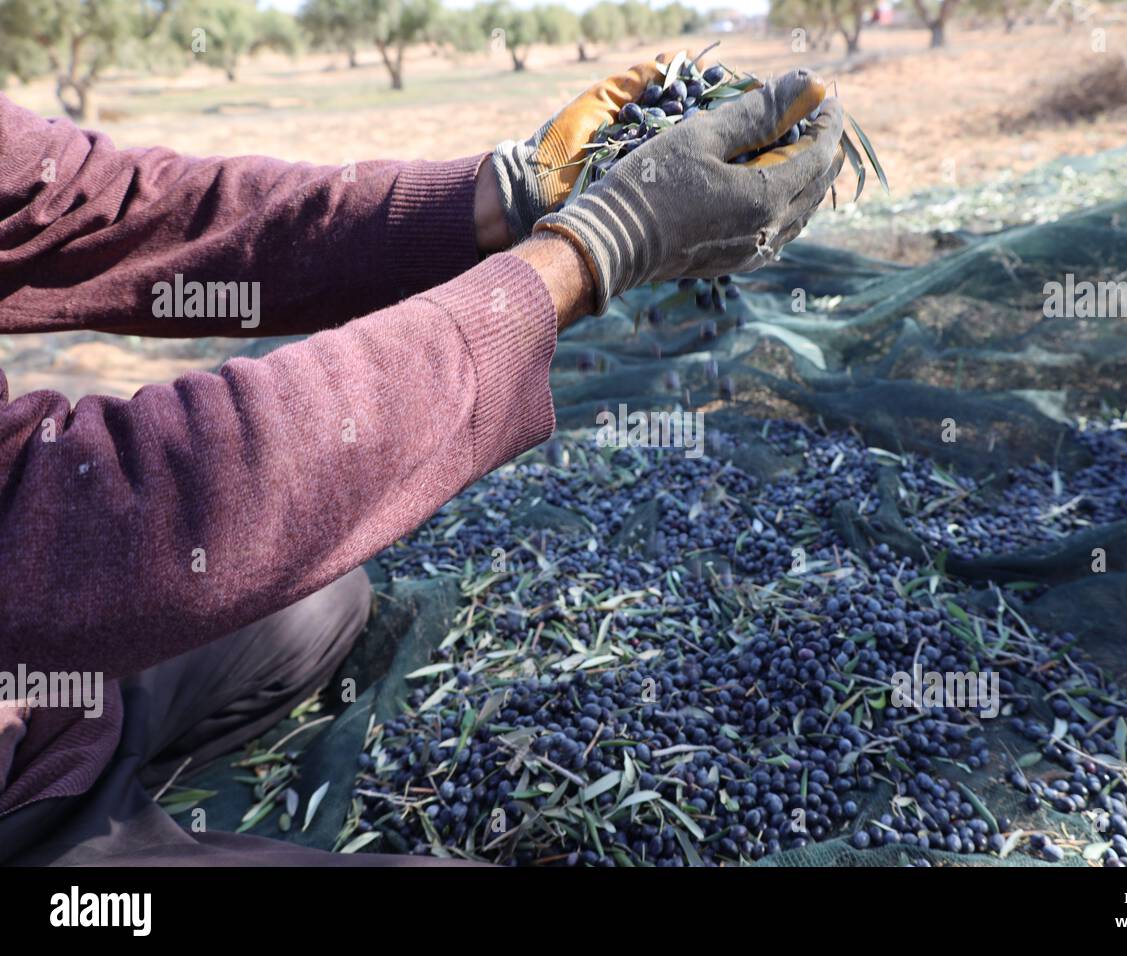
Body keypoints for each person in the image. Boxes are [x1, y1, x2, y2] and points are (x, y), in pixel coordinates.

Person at [0, 56, 844, 865]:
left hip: (39, 696)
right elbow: (88, 517)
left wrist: (504, 196)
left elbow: (99, 202)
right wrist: (592, 249)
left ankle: (89, 768)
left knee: (320, 595)